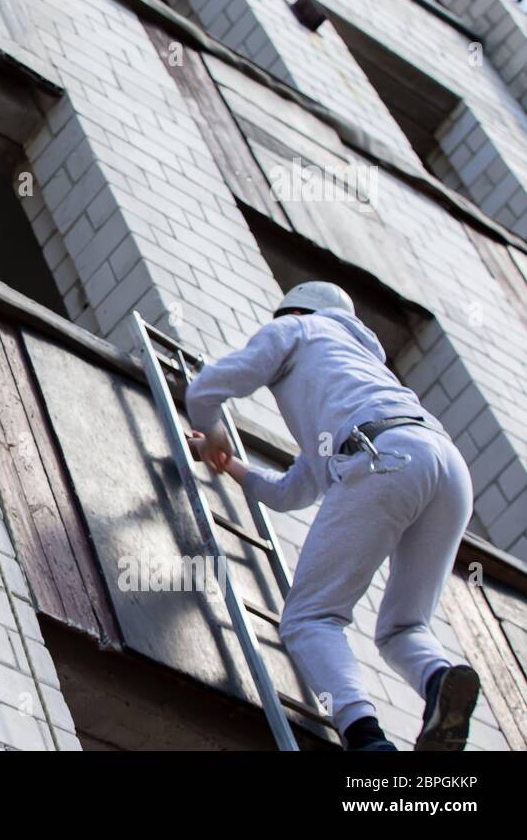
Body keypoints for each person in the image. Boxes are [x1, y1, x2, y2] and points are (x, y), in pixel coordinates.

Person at [185, 281, 479, 751]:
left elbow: (205, 389)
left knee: (309, 617)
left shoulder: (299, 329)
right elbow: (287, 493)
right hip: (443, 466)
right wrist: (227, 461)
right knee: (404, 628)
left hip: (382, 455)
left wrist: (213, 430)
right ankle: (438, 681)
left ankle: (366, 740)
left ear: (292, 311)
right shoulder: (360, 379)